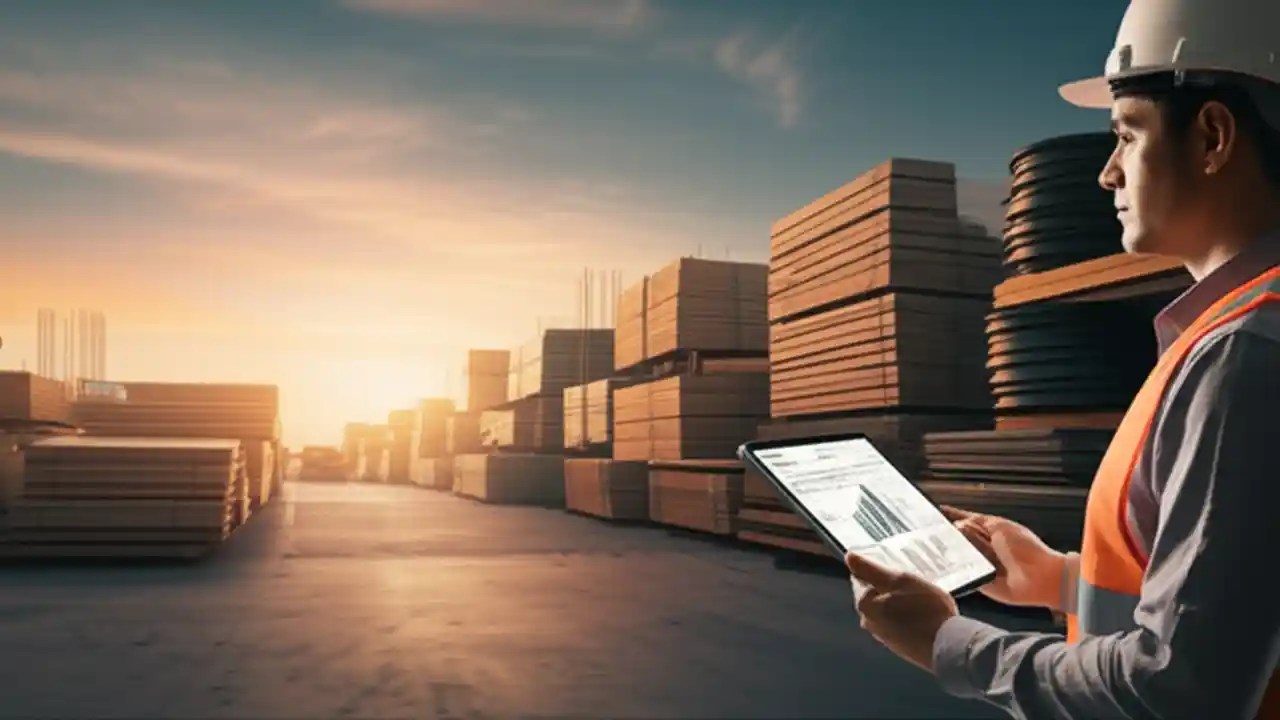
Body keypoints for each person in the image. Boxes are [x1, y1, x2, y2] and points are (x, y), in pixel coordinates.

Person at [844, 1, 1280, 717]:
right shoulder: (1237, 334)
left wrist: (946, 642)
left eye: (1126, 136)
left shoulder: (1244, 357)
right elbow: (1239, 600)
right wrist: (1059, 580)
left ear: (1211, 138)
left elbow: (1178, 691)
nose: (1107, 175)